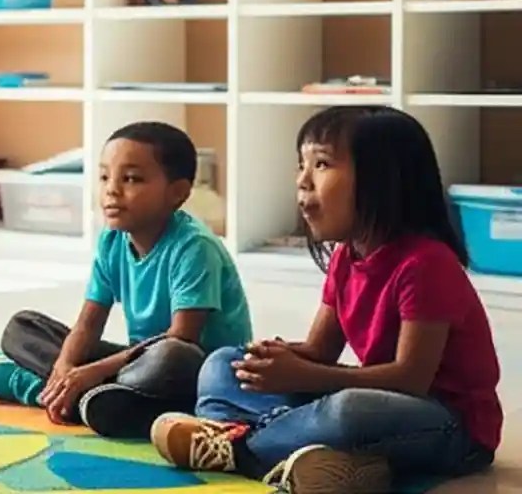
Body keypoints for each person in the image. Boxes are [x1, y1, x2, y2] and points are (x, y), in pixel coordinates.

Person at [151, 106, 501, 493]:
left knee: (347, 411)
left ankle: (238, 445)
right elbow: (320, 350)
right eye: (301, 165)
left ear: (382, 180)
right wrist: (272, 357)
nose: (302, 181)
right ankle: (337, 463)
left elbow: (411, 380)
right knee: (223, 363)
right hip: (382, 404)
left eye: (321, 164)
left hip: (449, 427)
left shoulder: (426, 263)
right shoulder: (346, 258)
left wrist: (304, 375)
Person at [0, 122, 252, 440]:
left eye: (131, 179)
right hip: (136, 364)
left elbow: (181, 338)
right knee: (21, 327)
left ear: (177, 193)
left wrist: (91, 372)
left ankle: (77, 395)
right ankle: (88, 399)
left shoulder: (194, 246)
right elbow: (87, 326)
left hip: (196, 372)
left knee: (171, 355)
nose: (112, 189)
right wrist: (65, 369)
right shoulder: (111, 241)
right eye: (105, 176)